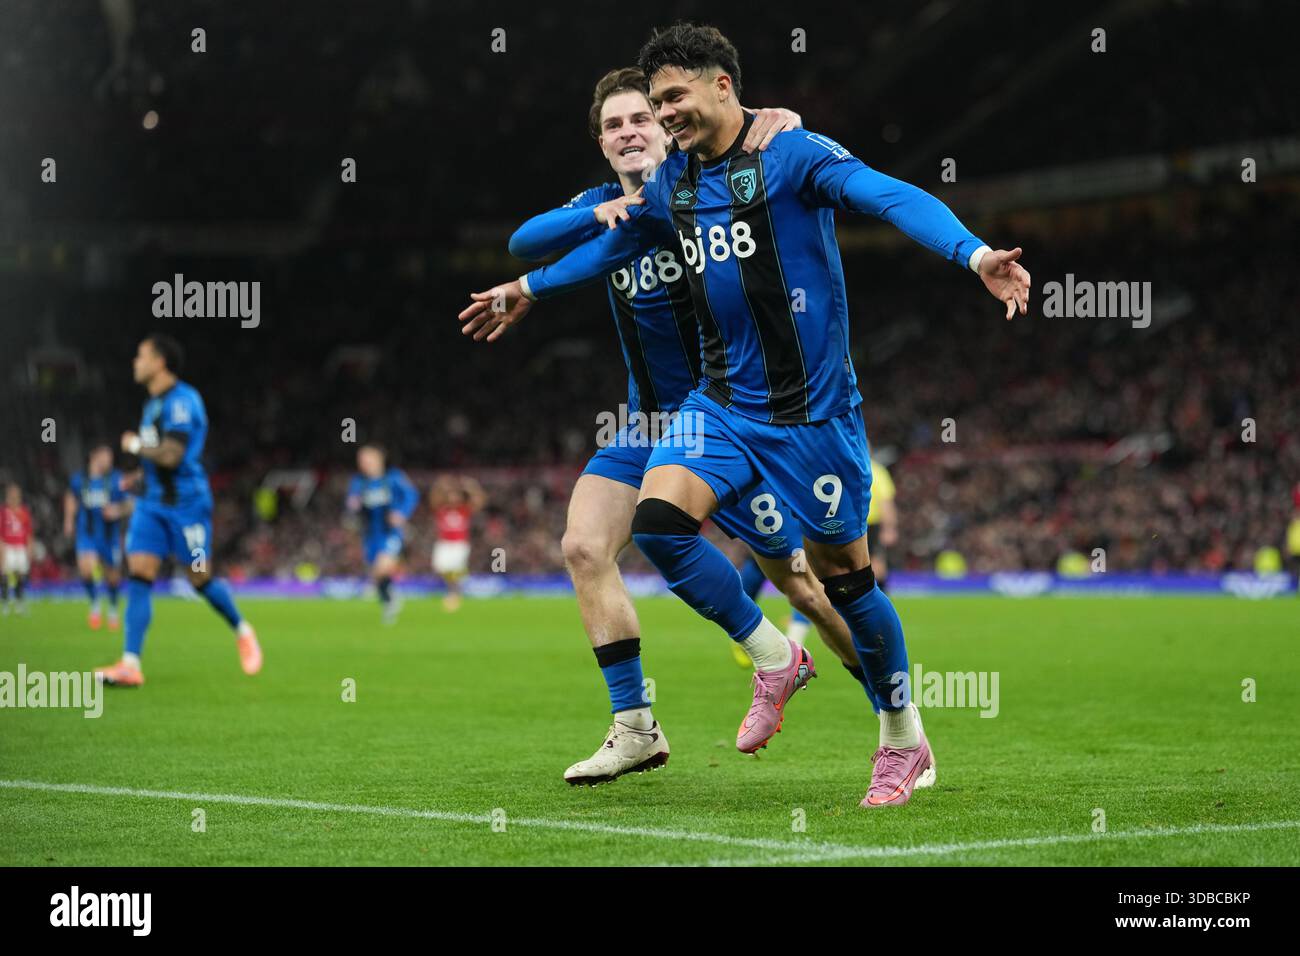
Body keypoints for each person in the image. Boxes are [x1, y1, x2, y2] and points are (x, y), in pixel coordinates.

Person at [460, 23, 1028, 806]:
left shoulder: (792, 154)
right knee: (657, 524)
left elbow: (889, 195)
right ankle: (766, 661)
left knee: (842, 583)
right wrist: (527, 289)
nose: (661, 119)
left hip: (815, 416)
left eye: (671, 100)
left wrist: (972, 255)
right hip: (719, 405)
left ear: (722, 85)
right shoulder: (671, 185)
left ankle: (902, 734)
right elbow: (602, 250)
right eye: (650, 106)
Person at [95, 334, 262, 687]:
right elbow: (160, 461)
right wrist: (139, 476)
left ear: (159, 362)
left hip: (188, 507)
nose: (134, 363)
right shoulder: (151, 406)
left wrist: (135, 444)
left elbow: (173, 455)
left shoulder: (184, 401)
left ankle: (242, 629)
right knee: (139, 572)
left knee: (200, 578)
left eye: (140, 356)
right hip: (151, 504)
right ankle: (130, 663)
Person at [346, 444, 418, 624]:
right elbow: (352, 500)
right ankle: (389, 600)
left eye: (366, 458)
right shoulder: (359, 482)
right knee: (377, 574)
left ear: (378, 459)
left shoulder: (393, 477)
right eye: (360, 460)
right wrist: (352, 506)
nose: (363, 463)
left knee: (381, 566)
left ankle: (391, 596)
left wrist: (402, 512)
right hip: (370, 534)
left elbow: (411, 494)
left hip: (390, 532)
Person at [64, 444, 128, 630]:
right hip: (87, 534)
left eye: (110, 456)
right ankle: (94, 604)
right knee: (86, 569)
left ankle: (114, 607)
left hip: (110, 536)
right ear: (94, 455)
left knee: (113, 577)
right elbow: (70, 496)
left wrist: (118, 510)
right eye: (106, 455)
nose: (109, 459)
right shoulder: (79, 479)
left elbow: (131, 502)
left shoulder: (116, 479)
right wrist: (68, 519)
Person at [429, 474, 485, 612]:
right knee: (440, 567)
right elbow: (433, 499)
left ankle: (454, 594)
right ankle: (455, 588)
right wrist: (440, 484)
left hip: (459, 544)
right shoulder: (442, 509)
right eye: (451, 495)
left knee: (455, 569)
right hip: (444, 543)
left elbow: (480, 501)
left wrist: (472, 487)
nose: (454, 498)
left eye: (456, 495)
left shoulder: (464, 510)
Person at [1, 484, 33, 616]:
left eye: (16, 495)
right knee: (5, 574)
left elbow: (29, 532)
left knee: (20, 574)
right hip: (8, 546)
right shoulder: (3, 512)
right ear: (8, 497)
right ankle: (5, 602)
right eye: (11, 495)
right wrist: (1, 549)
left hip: (20, 547)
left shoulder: (24, 512)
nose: (14, 498)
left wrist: (29, 548)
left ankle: (19, 602)